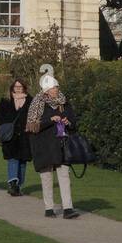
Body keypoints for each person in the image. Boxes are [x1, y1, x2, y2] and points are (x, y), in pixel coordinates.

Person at [25, 74, 80, 219]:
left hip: (62, 145)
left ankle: (68, 208)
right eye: (54, 87)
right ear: (47, 90)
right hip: (44, 145)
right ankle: (49, 208)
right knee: (47, 177)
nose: (57, 89)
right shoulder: (38, 103)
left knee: (64, 175)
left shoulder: (64, 103)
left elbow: (74, 122)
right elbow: (33, 127)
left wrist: (68, 122)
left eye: (57, 87)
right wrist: (50, 119)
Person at [0, 78, 33, 196]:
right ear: (12, 88)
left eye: (20, 86)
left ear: (23, 88)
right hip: (11, 136)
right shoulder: (6, 100)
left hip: (25, 136)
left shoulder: (30, 101)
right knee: (12, 159)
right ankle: (12, 184)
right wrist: (6, 124)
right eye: (16, 86)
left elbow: (34, 116)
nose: (18, 88)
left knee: (22, 162)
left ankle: (19, 186)